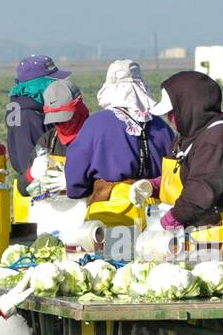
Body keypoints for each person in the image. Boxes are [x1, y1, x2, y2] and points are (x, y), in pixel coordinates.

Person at [150, 70, 223, 262]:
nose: (170, 117)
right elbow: (186, 173)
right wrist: (154, 185)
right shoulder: (190, 134)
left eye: (173, 111)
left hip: (215, 235)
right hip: (191, 231)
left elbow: (202, 188)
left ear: (190, 107)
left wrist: (170, 219)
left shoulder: (218, 138)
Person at [62, 60, 173, 227]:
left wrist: (78, 189)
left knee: (110, 252)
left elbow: (76, 172)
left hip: (112, 211)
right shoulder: (161, 126)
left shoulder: (97, 124)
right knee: (151, 251)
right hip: (154, 212)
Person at [6, 54, 70, 222]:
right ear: (37, 84)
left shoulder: (23, 104)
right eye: (52, 80)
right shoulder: (29, 114)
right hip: (35, 193)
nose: (57, 85)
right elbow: (27, 160)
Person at [23, 79, 90, 199]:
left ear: (79, 110)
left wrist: (78, 182)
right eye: (56, 121)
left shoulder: (96, 136)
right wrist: (31, 174)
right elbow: (23, 189)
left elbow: (110, 182)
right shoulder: (48, 141)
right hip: (54, 213)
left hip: (89, 214)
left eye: (65, 118)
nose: (61, 124)